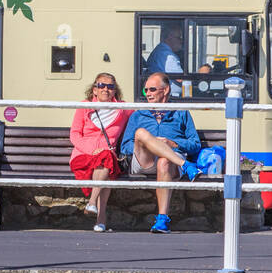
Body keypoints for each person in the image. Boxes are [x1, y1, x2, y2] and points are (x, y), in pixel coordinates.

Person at [119, 71, 203, 234]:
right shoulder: (138, 115)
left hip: (170, 161)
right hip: (144, 161)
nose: (147, 94)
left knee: (164, 162)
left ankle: (162, 219)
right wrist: (149, 144)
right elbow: (125, 146)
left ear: (165, 90)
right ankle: (186, 166)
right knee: (141, 133)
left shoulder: (181, 112)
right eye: (145, 90)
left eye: (152, 90)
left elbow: (195, 144)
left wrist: (173, 143)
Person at [68, 72, 130, 233]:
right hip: (83, 155)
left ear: (115, 91)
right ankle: (100, 218)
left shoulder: (123, 109)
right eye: (101, 85)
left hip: (105, 156)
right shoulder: (84, 106)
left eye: (110, 86)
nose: (105, 89)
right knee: (107, 163)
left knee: (107, 160)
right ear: (94, 89)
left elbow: (145, 113)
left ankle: (92, 204)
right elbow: (74, 135)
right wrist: (92, 150)